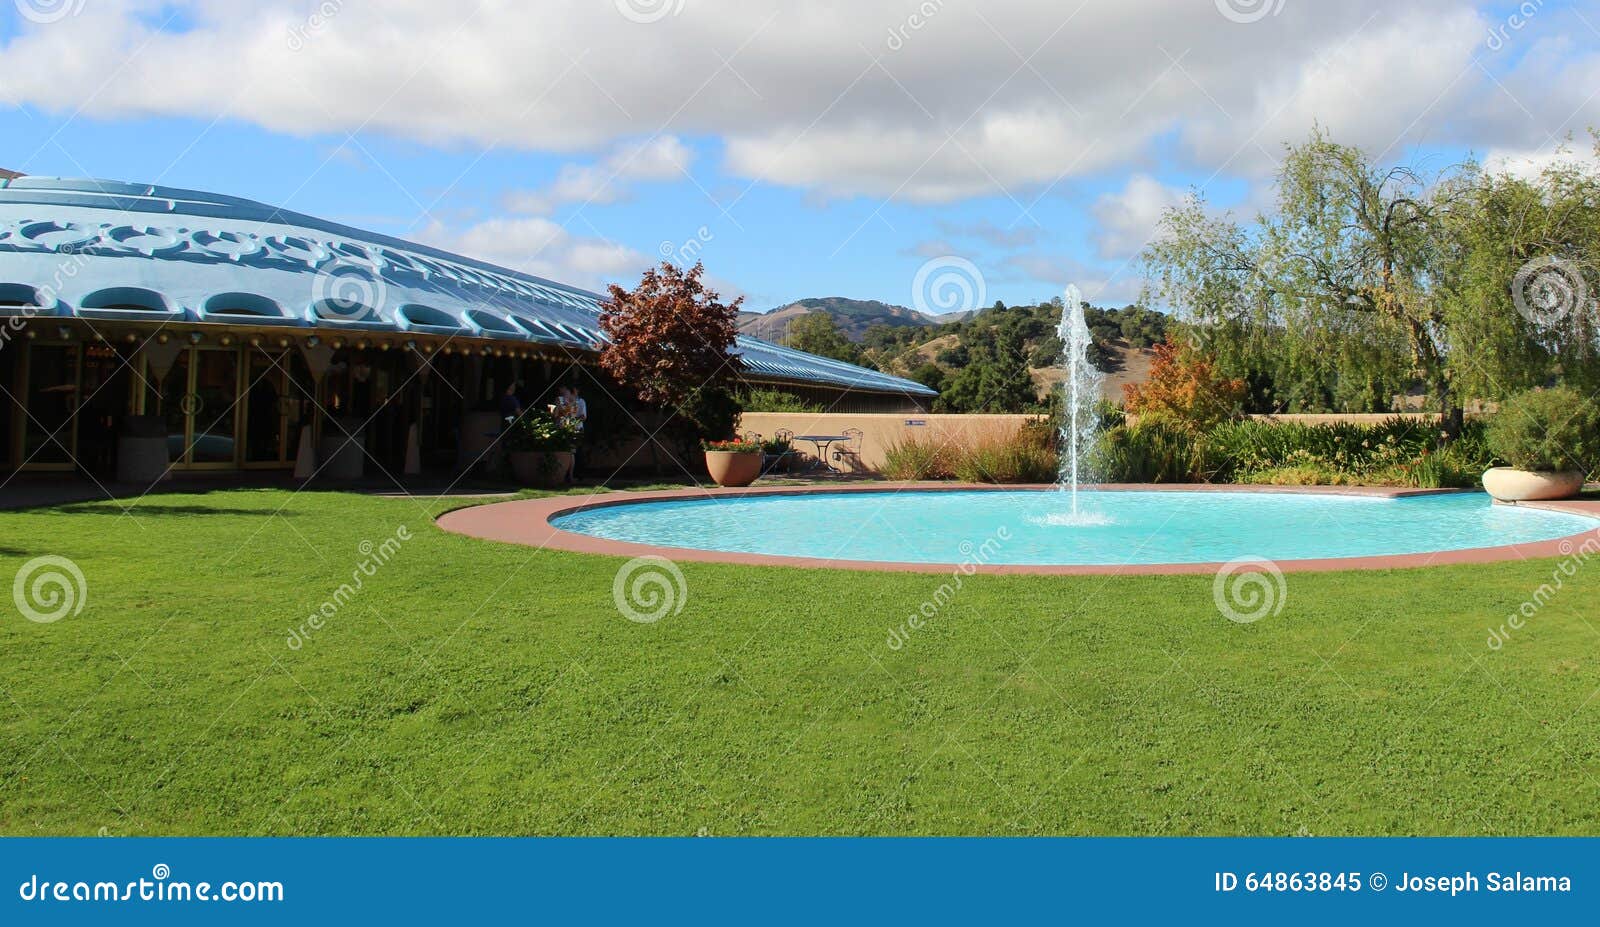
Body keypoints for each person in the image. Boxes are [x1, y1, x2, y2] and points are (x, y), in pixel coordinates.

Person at [556, 384, 587, 483]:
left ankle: (571, 475)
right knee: (568, 452)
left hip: (573, 428)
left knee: (573, 452)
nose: (564, 393)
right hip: (563, 428)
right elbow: (556, 414)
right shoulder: (560, 400)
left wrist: (568, 407)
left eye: (566, 391)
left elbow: (572, 415)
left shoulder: (577, 402)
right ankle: (566, 475)